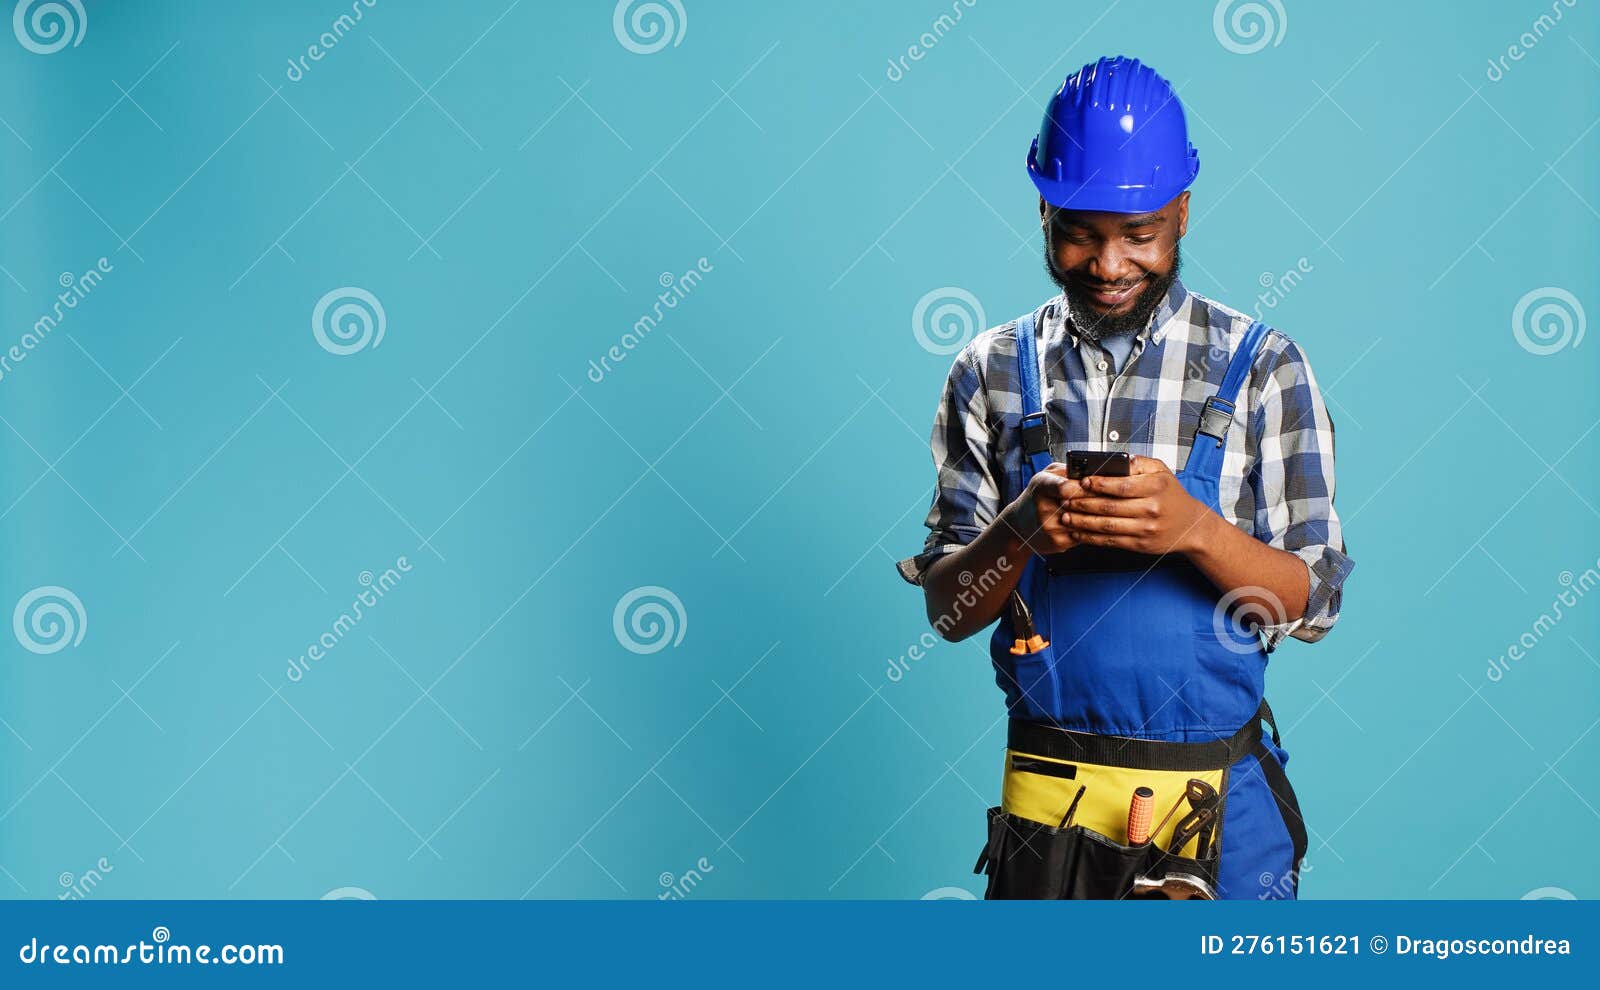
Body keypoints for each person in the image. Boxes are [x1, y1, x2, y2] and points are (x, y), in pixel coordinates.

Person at [897, 56, 1354, 900]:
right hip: (1050, 819)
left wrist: (1194, 531)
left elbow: (1313, 604)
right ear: (1043, 211)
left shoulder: (1264, 369)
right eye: (1079, 233)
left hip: (1216, 816)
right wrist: (1018, 532)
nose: (1109, 265)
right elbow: (950, 613)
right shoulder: (990, 370)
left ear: (1182, 212)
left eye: (1139, 234)